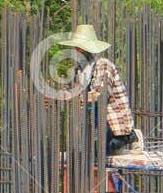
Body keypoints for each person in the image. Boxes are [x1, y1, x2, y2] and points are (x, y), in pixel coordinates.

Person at [57, 24, 144, 156]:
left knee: (105, 149)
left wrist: (72, 97)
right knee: (93, 152)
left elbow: (99, 94)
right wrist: (56, 96)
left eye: (79, 48)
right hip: (94, 118)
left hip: (113, 119)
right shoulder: (80, 69)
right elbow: (69, 89)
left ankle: (131, 136)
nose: (76, 50)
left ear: (87, 49)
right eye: (76, 47)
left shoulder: (103, 65)